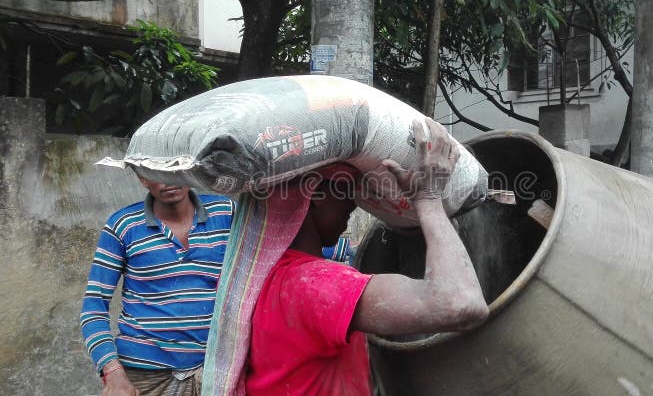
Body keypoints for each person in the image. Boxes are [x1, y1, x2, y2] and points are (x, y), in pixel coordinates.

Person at [244, 118, 489, 395]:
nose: (353, 201)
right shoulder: (311, 284)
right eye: (345, 187)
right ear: (314, 193)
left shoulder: (268, 277)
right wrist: (429, 199)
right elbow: (462, 303)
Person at [80, 177, 234, 396]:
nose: (169, 179)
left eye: (175, 167)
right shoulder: (123, 226)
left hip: (219, 370)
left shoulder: (226, 213)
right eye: (157, 171)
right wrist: (113, 373)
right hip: (145, 377)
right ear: (142, 177)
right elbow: (94, 307)